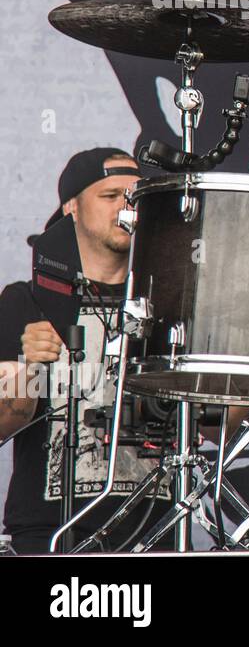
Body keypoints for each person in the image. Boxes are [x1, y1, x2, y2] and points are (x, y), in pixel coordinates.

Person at [0, 147, 160, 553]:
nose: (126, 207)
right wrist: (28, 366)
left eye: (134, 196)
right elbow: (3, 422)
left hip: (157, 527)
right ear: (71, 207)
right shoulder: (25, 301)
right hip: (49, 531)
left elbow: (216, 428)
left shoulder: (166, 307)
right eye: (109, 196)